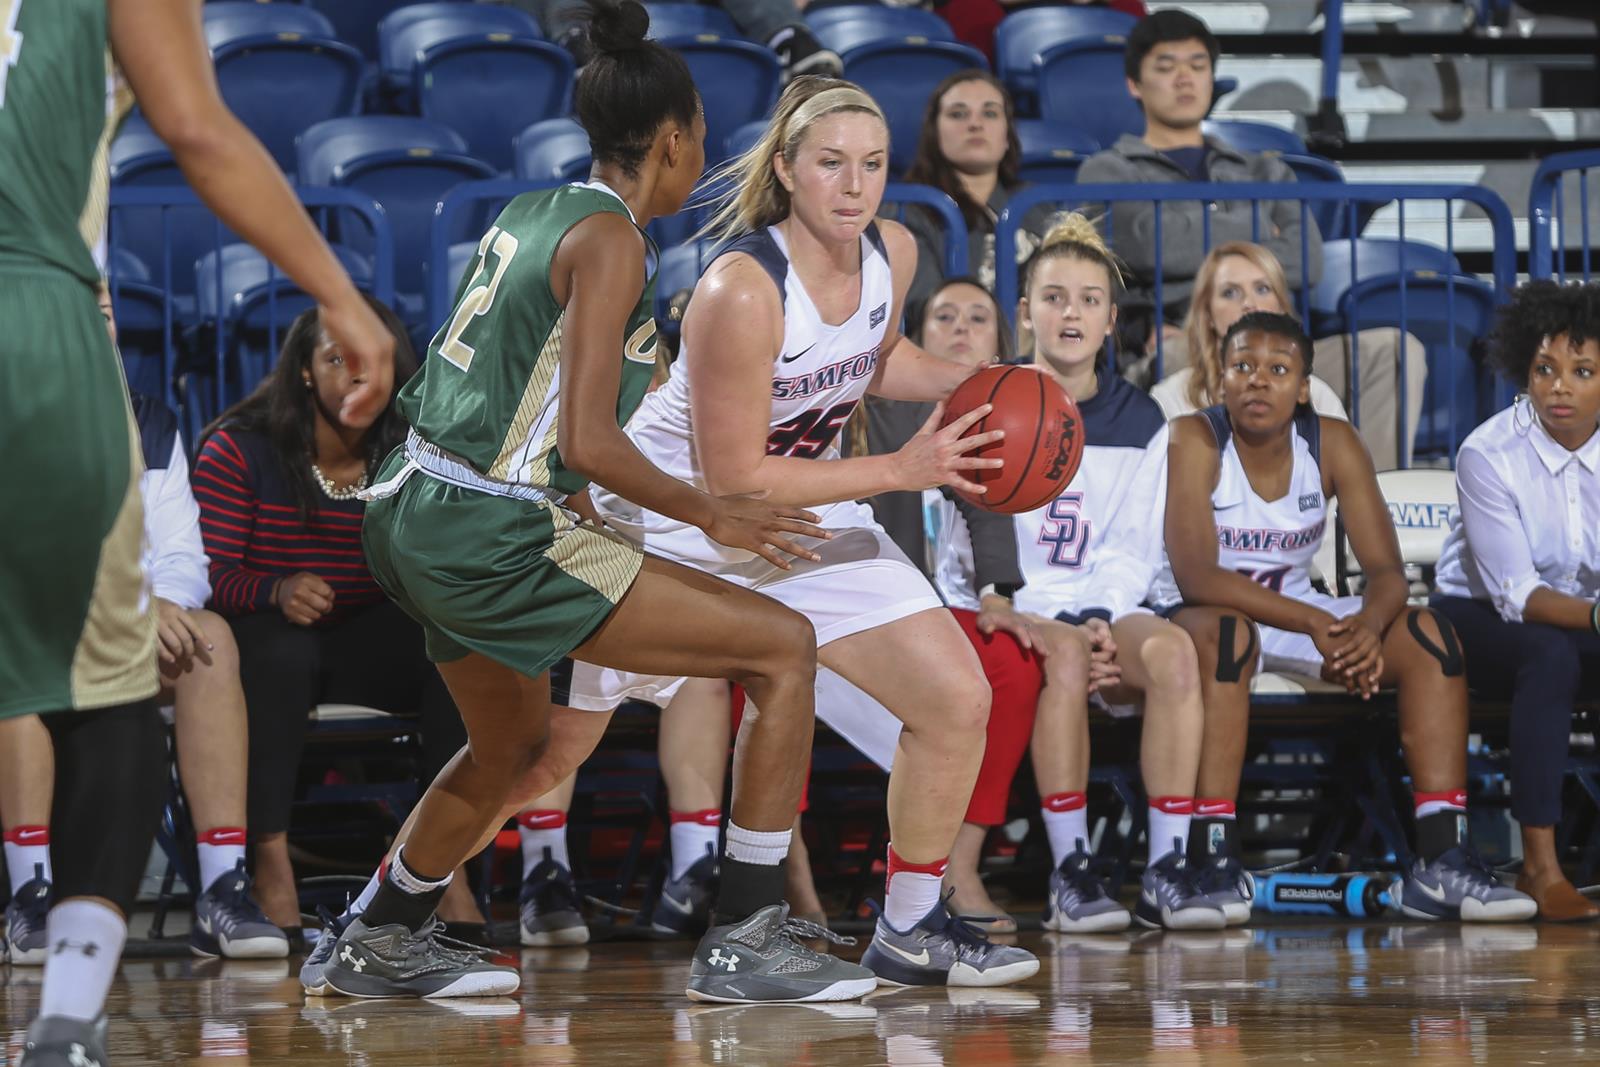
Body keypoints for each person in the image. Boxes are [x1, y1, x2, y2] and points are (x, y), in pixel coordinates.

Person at [315, 0, 879, 1005]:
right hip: (487, 526)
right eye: (700, 133)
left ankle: (377, 934)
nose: (703, 151)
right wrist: (710, 513)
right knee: (783, 646)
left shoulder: (531, 210)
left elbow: (524, 404)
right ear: (672, 141)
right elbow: (584, 439)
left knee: (513, 748)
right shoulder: (614, 241)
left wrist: (590, 509)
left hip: (415, 504)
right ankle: (747, 937)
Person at [555, 74, 1039, 988]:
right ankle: (392, 909)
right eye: (831, 164)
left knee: (955, 698)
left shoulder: (894, 252)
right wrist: (901, 469)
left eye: (873, 164)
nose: (855, 186)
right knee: (545, 752)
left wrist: (978, 384)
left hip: (800, 514)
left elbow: (875, 357)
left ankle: (909, 926)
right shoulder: (742, 288)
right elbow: (735, 479)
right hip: (670, 523)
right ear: (785, 169)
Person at [0, 2, 394, 1063]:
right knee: (103, 690)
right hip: (32, 322)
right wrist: (338, 296)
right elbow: (198, 128)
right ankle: (67, 1018)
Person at [1161, 310, 1538, 924]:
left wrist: (1365, 630)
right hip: (1203, 617)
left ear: (1303, 387)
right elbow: (1197, 576)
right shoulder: (1193, 437)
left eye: (1278, 369)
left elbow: (1386, 572)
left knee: (1430, 637)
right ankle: (1212, 857)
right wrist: (1316, 625)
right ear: (1220, 379)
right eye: (1242, 366)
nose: (1258, 380)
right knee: (1231, 638)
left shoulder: (1332, 441)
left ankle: (1442, 859)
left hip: (1296, 612)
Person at [191, 298, 485, 945]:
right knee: (280, 652)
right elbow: (204, 575)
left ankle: (443, 864)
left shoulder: (413, 452)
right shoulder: (240, 448)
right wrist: (273, 589)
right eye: (336, 359)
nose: (356, 376)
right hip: (263, 638)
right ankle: (270, 861)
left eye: (371, 362)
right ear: (304, 369)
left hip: (362, 637)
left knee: (455, 644)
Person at [1004, 217, 1224, 931]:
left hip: (1105, 606)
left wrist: (1098, 618)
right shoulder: (993, 404)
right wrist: (1059, 623)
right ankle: (1071, 872)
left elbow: (1135, 545)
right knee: (1064, 657)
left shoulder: (1142, 418)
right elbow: (972, 546)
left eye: (1089, 300)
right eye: (1054, 297)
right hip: (1022, 611)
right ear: (1026, 312)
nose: (1071, 313)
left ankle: (1166, 869)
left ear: (1109, 321)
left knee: (1174, 654)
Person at [851, 277, 1046, 930]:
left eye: (977, 317)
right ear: (913, 339)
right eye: (945, 315)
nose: (961, 328)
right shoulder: (866, 402)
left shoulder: (992, 414)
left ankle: (961, 862)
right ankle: (784, 886)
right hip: (853, 598)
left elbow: (987, 505)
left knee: (1012, 658)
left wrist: (998, 593)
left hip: (929, 609)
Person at [1432, 280, 1600, 922]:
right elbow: (1519, 595)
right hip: (1475, 616)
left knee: (1561, 646)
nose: (1560, 387)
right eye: (1544, 369)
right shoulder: (1488, 453)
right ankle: (1539, 866)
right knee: (1550, 655)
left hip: (1579, 617)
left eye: (1582, 371)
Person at [1077, 10, 1321, 373]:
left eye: (1197, 65)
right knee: (1178, 358)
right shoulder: (1107, 171)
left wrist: (1187, 251)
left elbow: (1307, 259)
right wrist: (1258, 226)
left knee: (1390, 351)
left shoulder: (1266, 171)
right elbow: (1149, 248)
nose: (1184, 78)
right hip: (1182, 344)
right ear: (1134, 84)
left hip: (1279, 347)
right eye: (1166, 67)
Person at [1151, 242, 1427, 472]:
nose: (1249, 303)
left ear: (1281, 307)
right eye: (1230, 293)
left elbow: (1344, 487)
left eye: (1262, 289)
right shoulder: (1171, 397)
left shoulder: (1318, 396)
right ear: (1208, 314)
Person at [901, 71, 1059, 311]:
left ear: (1008, 135)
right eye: (958, 114)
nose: (975, 124)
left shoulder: (1037, 204)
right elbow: (924, 308)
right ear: (934, 133)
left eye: (990, 113)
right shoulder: (909, 211)